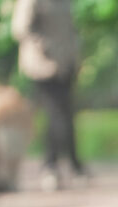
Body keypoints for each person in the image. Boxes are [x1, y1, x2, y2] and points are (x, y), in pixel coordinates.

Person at [11, 0, 86, 190]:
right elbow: (20, 28)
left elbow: (69, 30)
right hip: (42, 66)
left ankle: (74, 165)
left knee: (67, 116)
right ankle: (50, 167)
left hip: (65, 66)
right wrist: (45, 46)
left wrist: (73, 55)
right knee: (55, 117)